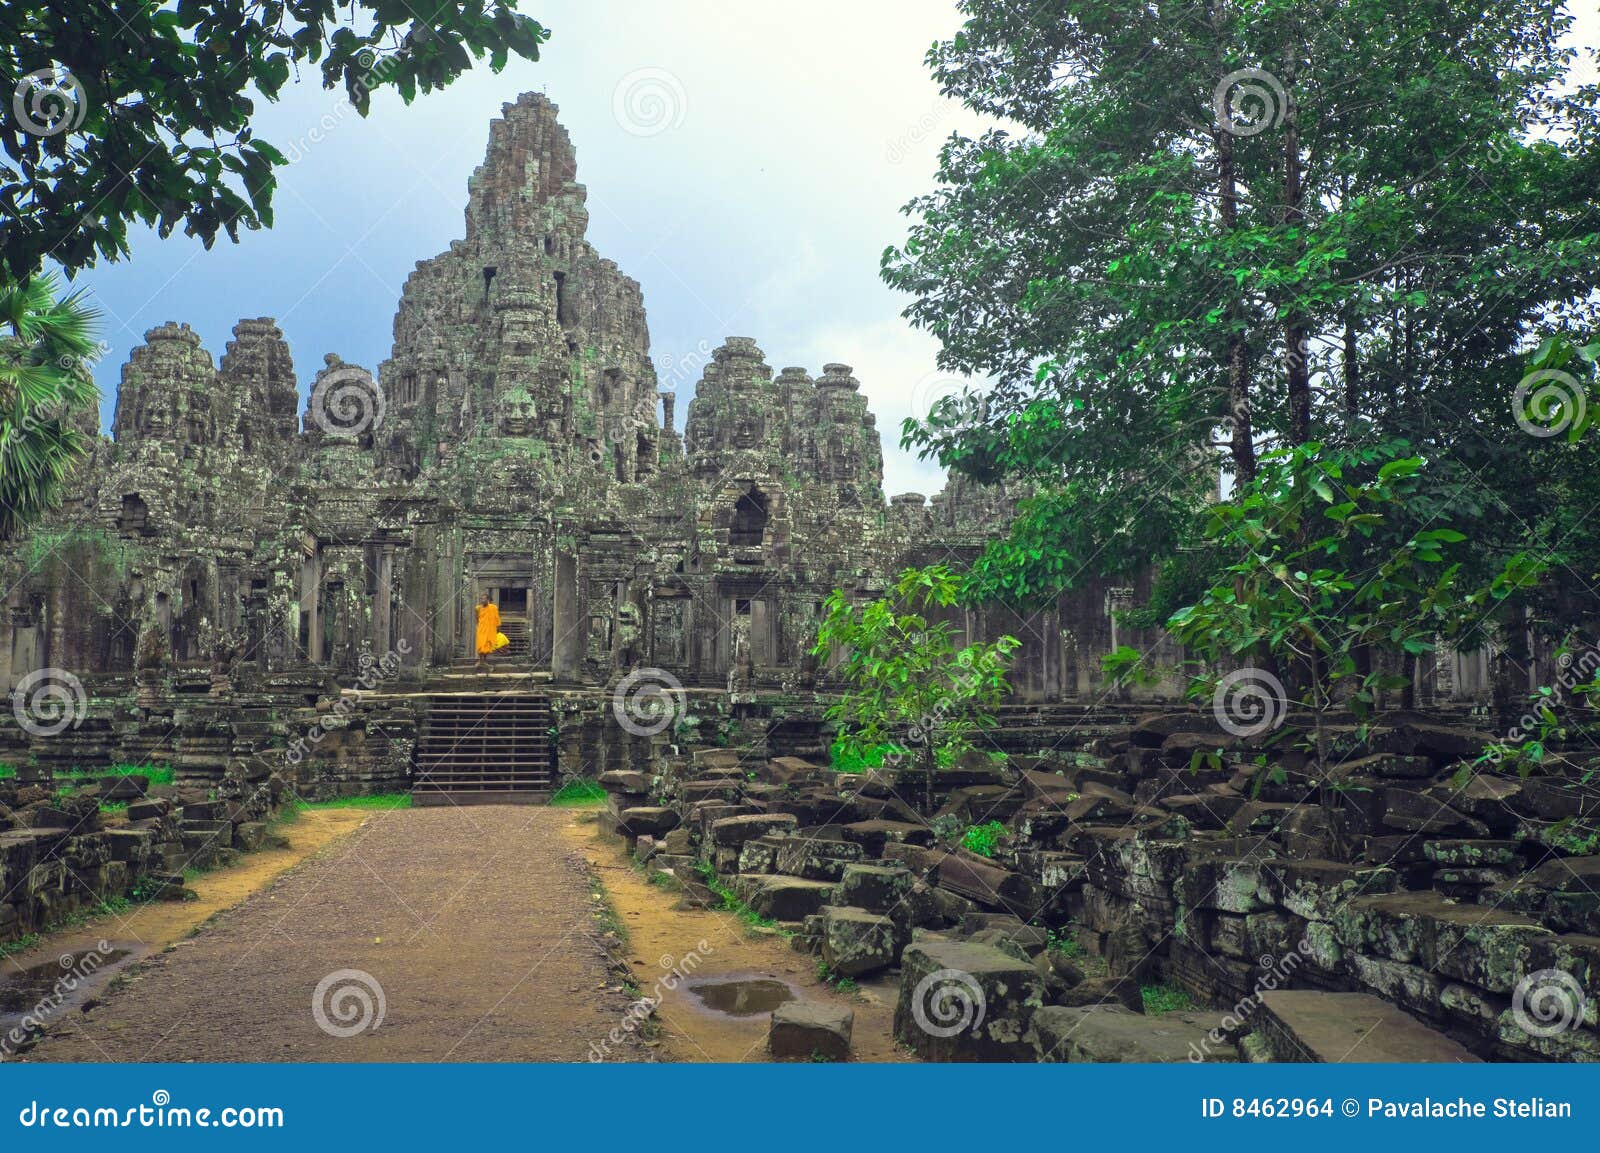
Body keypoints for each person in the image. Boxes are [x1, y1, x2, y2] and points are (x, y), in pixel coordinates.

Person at [474, 593, 507, 671]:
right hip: (481, 629)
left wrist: (498, 627)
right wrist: (478, 626)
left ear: (488, 600)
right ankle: (480, 660)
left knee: (487, 645)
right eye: (481, 599)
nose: (482, 600)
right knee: (480, 644)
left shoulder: (493, 608)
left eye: (484, 599)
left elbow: (496, 618)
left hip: (490, 629)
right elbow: (477, 618)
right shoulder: (477, 608)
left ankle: (484, 660)